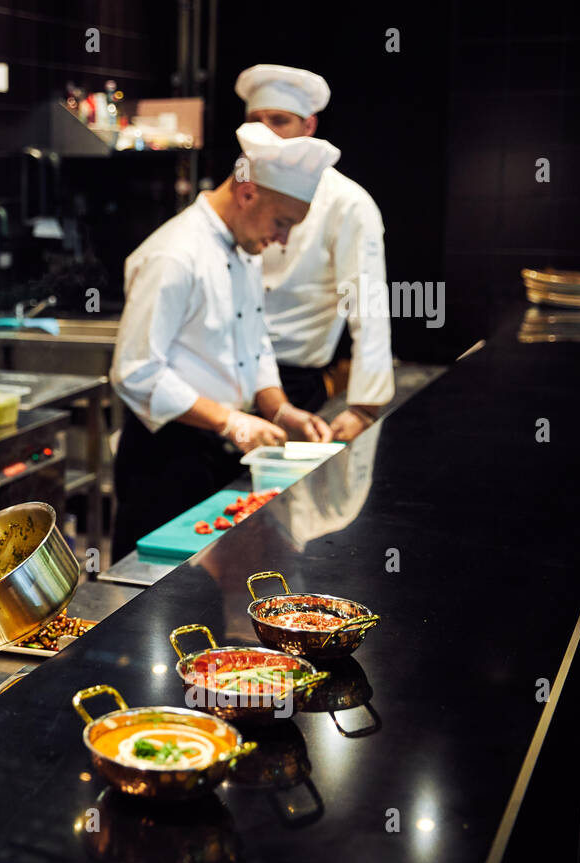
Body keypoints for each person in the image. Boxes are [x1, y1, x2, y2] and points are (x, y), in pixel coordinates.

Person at [110, 123, 339, 560]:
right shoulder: (175, 254)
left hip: (218, 453)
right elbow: (135, 372)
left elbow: (254, 340)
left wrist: (278, 408)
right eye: (282, 223)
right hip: (166, 460)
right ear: (248, 192)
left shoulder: (245, 245)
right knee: (149, 601)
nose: (283, 240)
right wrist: (230, 421)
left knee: (206, 599)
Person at [235, 64, 395, 439]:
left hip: (294, 383)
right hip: (227, 377)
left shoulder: (348, 203)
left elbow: (367, 305)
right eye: (255, 121)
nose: (265, 133)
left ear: (309, 127)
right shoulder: (239, 191)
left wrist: (364, 407)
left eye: (279, 120)